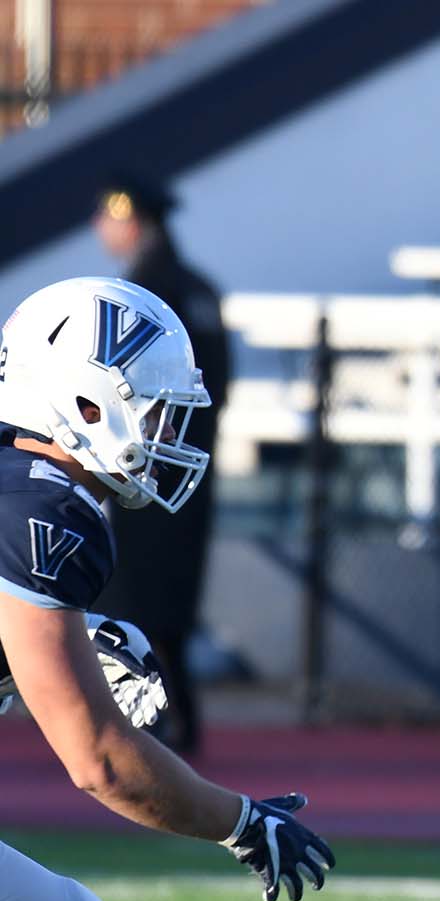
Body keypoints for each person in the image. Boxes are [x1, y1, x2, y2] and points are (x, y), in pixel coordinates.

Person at [0, 277, 332, 901]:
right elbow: (100, 762)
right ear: (84, 404)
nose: (163, 429)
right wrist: (241, 822)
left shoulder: (21, 490)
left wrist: (85, 638)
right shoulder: (47, 515)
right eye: (150, 407)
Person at [90, 172, 232, 755]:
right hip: (191, 467)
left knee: (141, 598)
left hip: (149, 467)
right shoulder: (197, 286)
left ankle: (150, 724)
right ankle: (178, 721)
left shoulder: (150, 293)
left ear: (132, 221)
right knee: (169, 598)